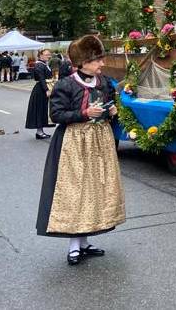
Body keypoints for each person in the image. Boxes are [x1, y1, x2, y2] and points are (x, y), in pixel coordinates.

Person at [36, 35, 124, 266]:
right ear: (83, 62)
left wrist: (112, 111)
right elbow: (56, 115)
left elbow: (109, 103)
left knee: (94, 190)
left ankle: (84, 242)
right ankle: (74, 244)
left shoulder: (103, 82)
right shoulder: (66, 84)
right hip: (74, 143)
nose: (101, 64)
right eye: (97, 60)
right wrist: (84, 114)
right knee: (76, 191)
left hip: (100, 142)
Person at [27, 49, 55, 140]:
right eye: (46, 54)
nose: (48, 56)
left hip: (43, 88)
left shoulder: (44, 64)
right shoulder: (39, 65)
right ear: (40, 56)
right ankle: (39, 132)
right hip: (40, 90)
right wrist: (46, 90)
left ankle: (40, 131)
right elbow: (41, 78)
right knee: (39, 110)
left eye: (49, 54)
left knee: (43, 110)